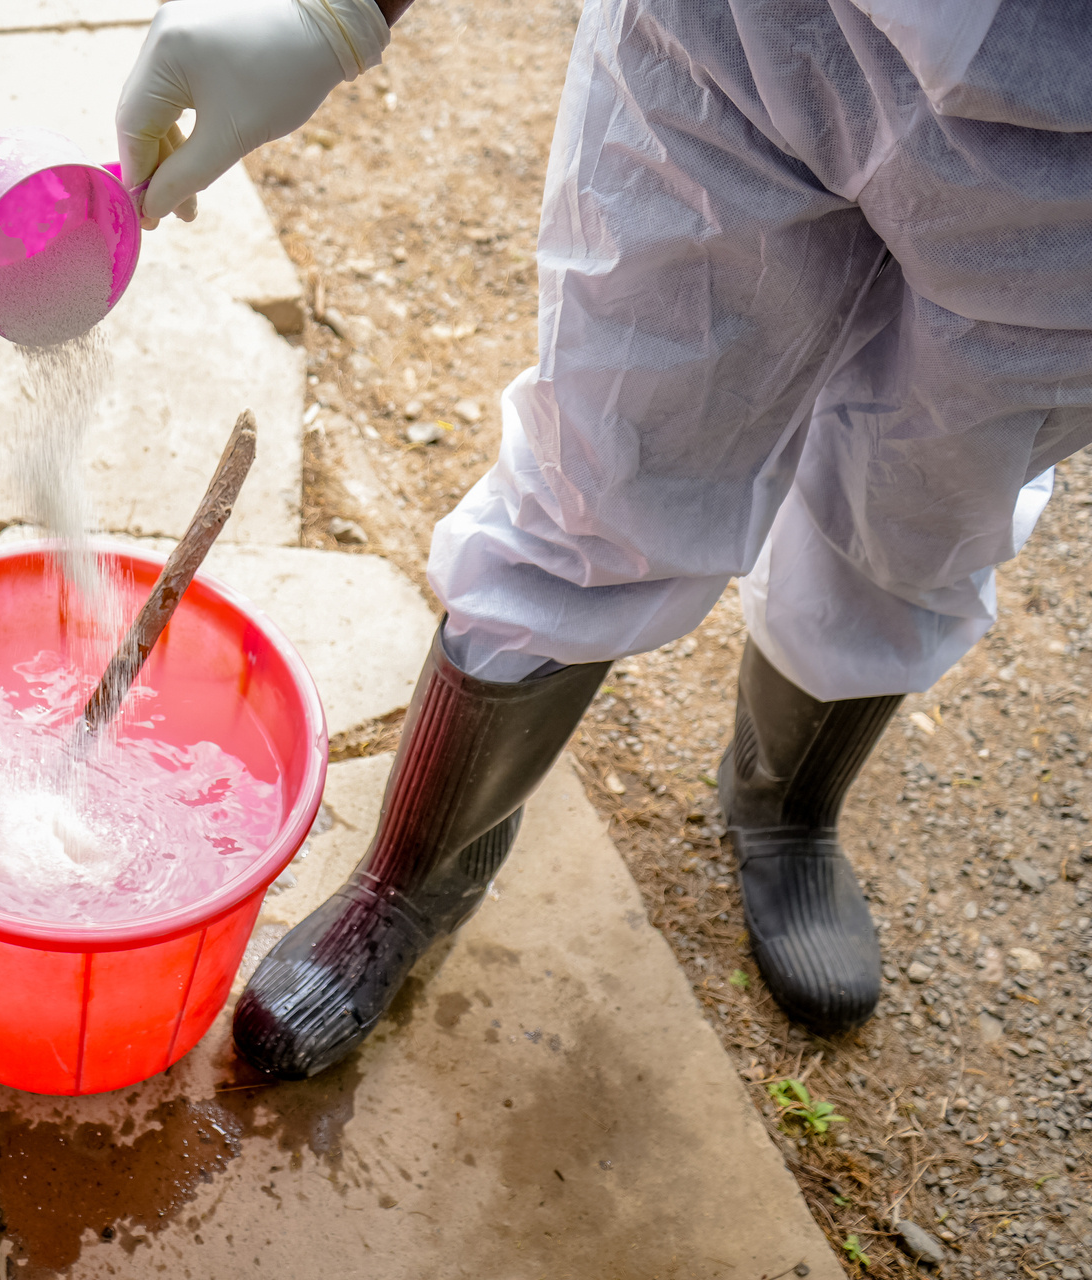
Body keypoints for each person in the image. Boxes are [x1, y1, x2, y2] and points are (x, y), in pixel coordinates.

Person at [116, 0, 1092, 1080]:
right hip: (754, 33)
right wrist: (339, 9)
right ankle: (416, 873)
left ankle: (784, 803)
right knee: (600, 455)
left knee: (925, 506)